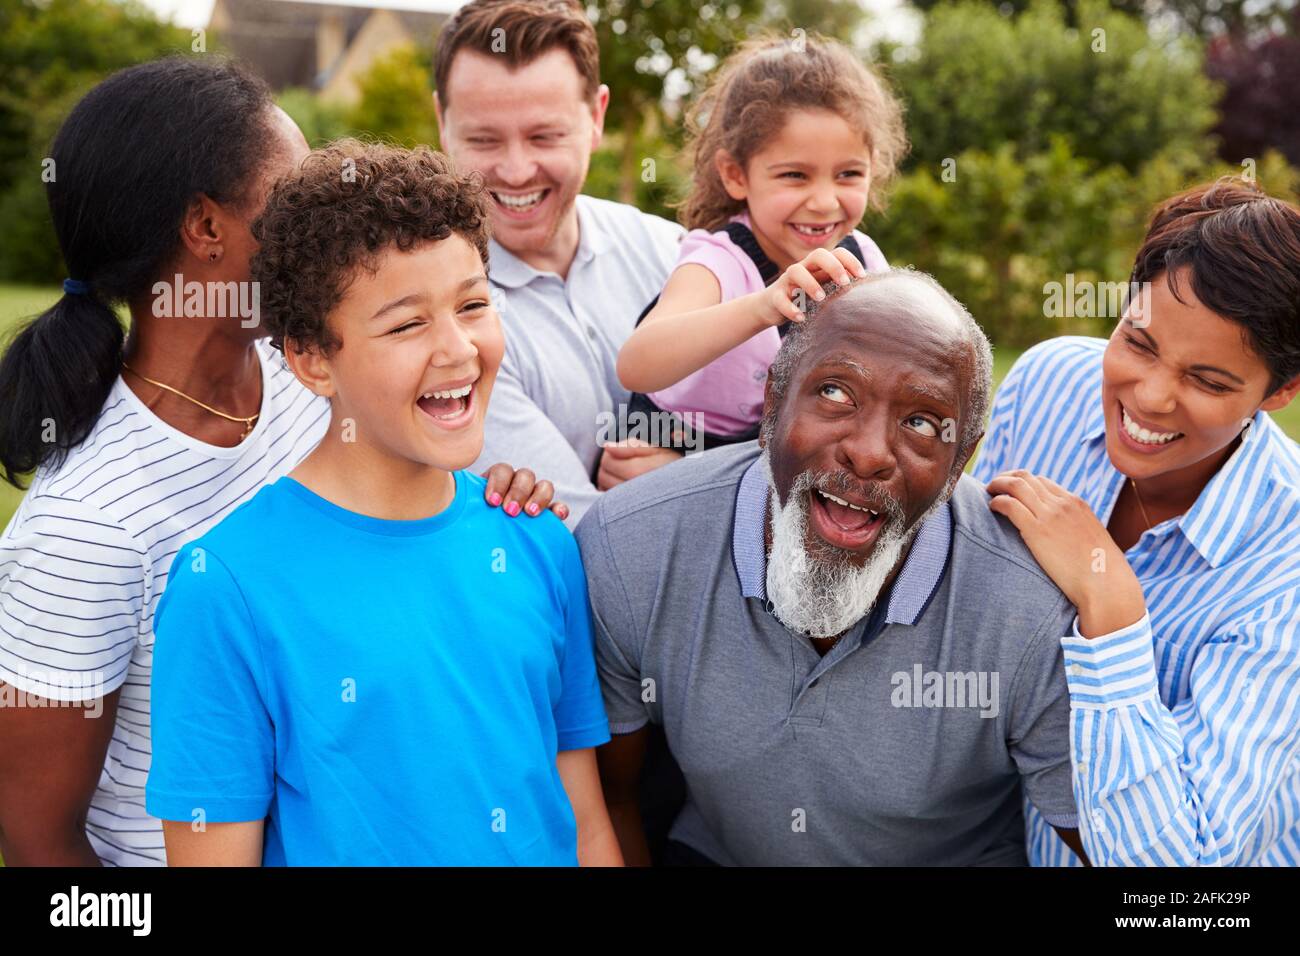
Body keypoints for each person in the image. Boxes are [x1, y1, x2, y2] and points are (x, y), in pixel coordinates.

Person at [0, 58, 556, 868]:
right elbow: (39, 842)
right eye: (290, 194)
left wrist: (486, 503)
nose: (325, 213)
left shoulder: (309, 381)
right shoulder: (85, 529)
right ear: (206, 228)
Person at [145, 141, 619, 866]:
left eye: (473, 305)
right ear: (310, 358)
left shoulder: (536, 540)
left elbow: (582, 820)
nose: (459, 349)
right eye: (406, 324)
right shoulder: (225, 587)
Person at [578, 269, 1088, 865]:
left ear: (959, 464)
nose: (869, 453)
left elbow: (1114, 855)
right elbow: (612, 800)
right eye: (835, 393)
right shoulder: (632, 545)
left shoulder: (1027, 607)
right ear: (772, 402)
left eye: (921, 423)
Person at [974, 178, 1300, 866]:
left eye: (1209, 382)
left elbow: (1180, 867)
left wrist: (1112, 608)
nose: (1150, 399)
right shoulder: (1045, 386)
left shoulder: (1287, 562)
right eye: (1139, 343)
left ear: (1281, 391)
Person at [434, 0, 687, 521]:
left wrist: (690, 460)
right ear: (442, 121)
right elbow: (584, 540)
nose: (517, 170)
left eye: (544, 136)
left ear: (596, 117)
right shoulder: (442, 323)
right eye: (483, 140)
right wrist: (689, 491)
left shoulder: (675, 254)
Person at [616, 35, 902, 448]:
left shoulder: (863, 259)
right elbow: (636, 365)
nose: (824, 202)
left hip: (774, 445)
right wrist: (762, 306)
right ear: (735, 175)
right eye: (794, 175)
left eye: (848, 175)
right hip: (679, 437)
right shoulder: (720, 261)